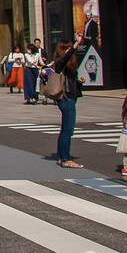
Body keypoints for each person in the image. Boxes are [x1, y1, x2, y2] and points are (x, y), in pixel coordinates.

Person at [49, 40, 84, 168]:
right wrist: (76, 44)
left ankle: (61, 156)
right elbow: (67, 57)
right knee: (68, 131)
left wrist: (78, 81)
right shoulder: (60, 62)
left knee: (65, 130)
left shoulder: (65, 67)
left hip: (68, 98)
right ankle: (65, 158)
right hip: (66, 99)